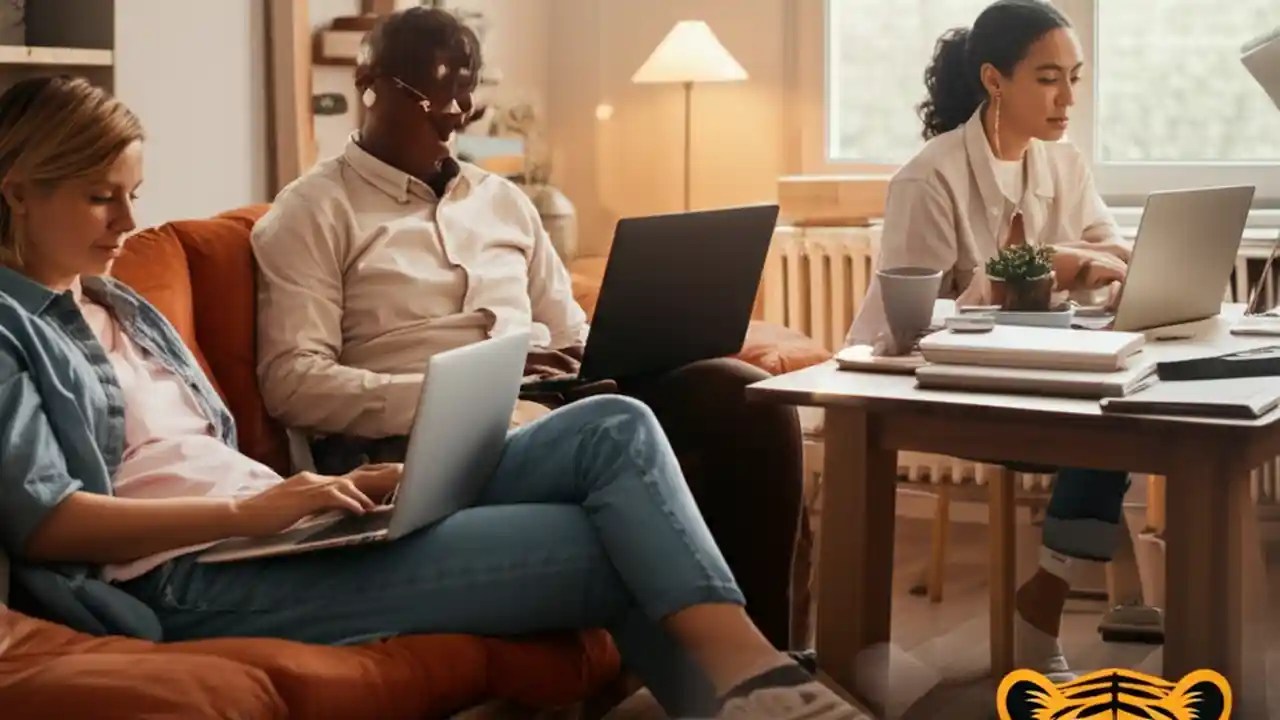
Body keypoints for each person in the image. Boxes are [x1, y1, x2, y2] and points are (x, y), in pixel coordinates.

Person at [0, 76, 866, 719]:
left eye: (132, 197)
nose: (123, 221)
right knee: (608, 539)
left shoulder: (122, 305)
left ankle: (758, 679)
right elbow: (49, 523)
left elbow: (201, 452)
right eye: (98, 197)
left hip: (284, 526)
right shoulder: (9, 329)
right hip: (192, 576)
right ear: (17, 194)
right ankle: (764, 694)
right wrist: (252, 512)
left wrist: (321, 497)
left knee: (615, 424)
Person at [250, 6, 804, 653]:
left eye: (467, 100)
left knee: (744, 396)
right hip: (417, 441)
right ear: (368, 84)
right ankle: (740, 663)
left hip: (546, 406)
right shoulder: (312, 212)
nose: (454, 119)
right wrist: (450, 391)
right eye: (433, 98)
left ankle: (775, 651)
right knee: (614, 427)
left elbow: (564, 323)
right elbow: (291, 383)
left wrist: (581, 353)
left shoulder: (503, 200)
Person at [847, 0, 1132, 681]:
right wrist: (1027, 274)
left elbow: (1106, 253)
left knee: (1126, 413)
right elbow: (910, 328)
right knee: (1109, 427)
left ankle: (1044, 597)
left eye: (1075, 77)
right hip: (918, 384)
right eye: (1047, 78)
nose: (1067, 98)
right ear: (995, 81)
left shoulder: (1063, 165)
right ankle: (1039, 614)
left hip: (1032, 370)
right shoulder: (929, 175)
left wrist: (1081, 262)